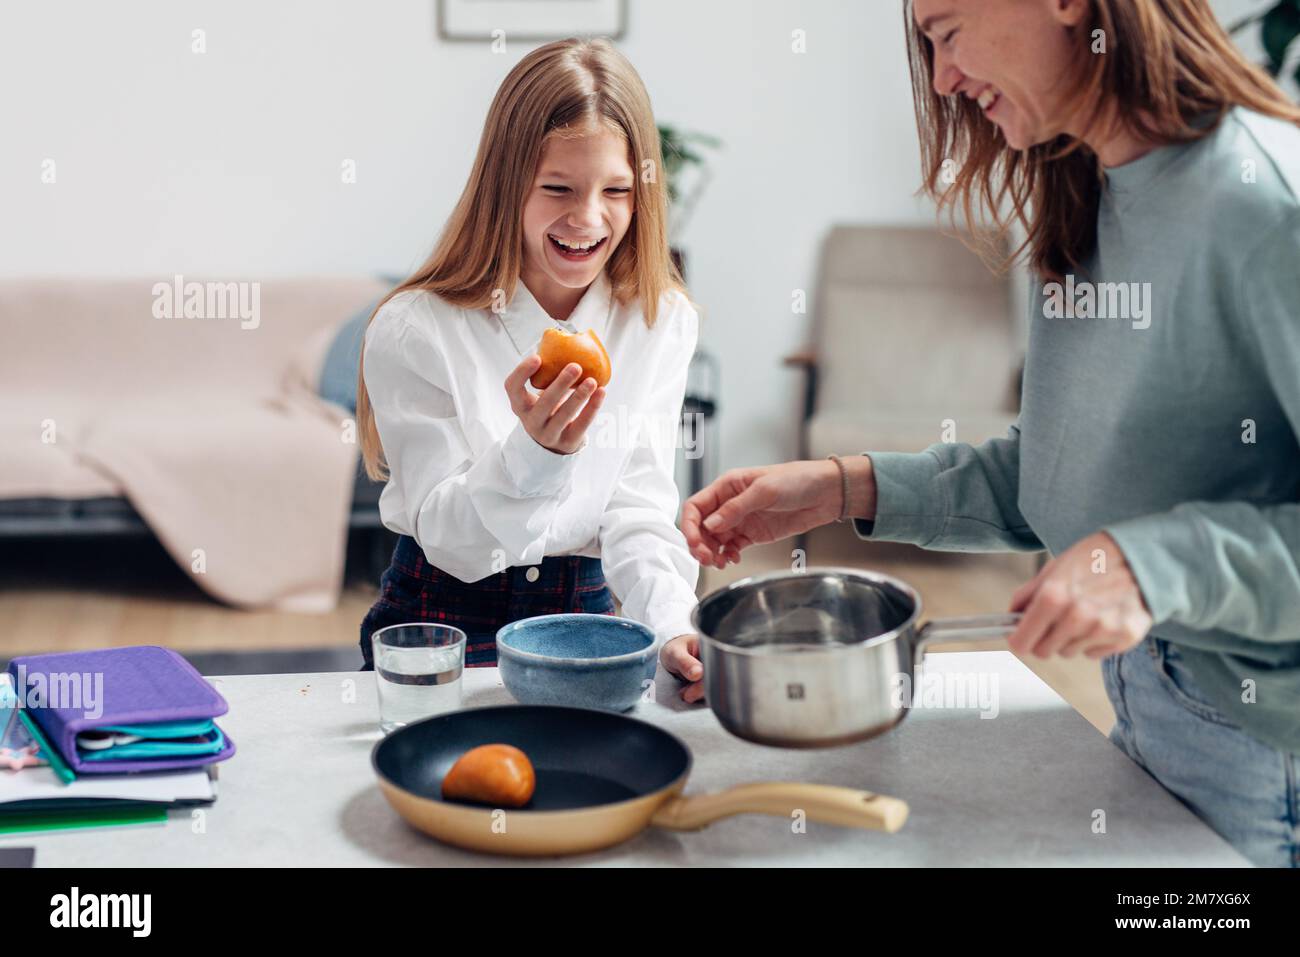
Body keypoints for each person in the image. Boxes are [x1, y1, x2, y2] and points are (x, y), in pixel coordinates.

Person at [673, 0, 1300, 868]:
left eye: (946, 31)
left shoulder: (1271, 204)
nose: (941, 80)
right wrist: (843, 484)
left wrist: (1157, 564)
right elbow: (1060, 471)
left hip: (1267, 760)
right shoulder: (1091, 187)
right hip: (1152, 708)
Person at [356, 38, 699, 669]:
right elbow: (452, 543)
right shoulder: (416, 328)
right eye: (558, 187)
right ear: (506, 182)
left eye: (617, 191)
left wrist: (672, 622)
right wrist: (536, 454)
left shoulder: (658, 320)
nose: (587, 219)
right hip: (445, 617)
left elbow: (637, 507)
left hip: (586, 612)